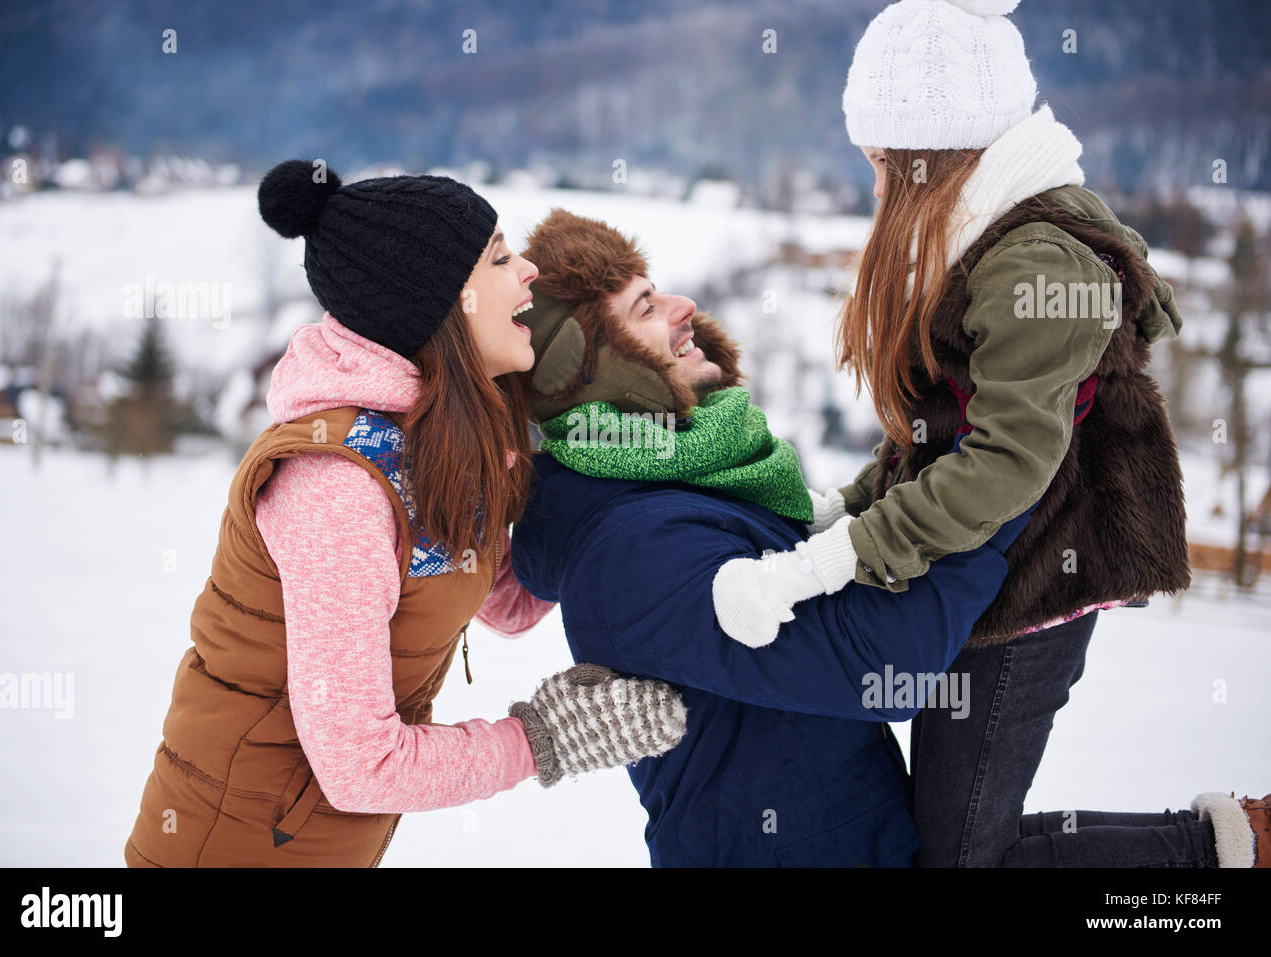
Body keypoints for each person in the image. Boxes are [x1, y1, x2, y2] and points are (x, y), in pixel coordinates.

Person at [508, 207, 1268, 868]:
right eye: (645, 306)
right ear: (598, 374)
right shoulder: (634, 546)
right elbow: (873, 656)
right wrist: (1000, 480)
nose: (683, 304)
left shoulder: (670, 484)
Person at [709, 0, 1267, 867]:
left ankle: (1223, 851)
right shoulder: (981, 238)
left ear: (935, 153)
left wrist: (834, 557)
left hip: (1034, 587)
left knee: (960, 855)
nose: (876, 181)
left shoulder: (1034, 260)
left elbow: (1003, 464)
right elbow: (936, 435)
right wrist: (842, 510)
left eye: (885, 161)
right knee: (958, 846)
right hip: (978, 577)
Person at [123, 162, 686, 868]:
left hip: (319, 844)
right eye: (501, 257)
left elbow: (505, 597)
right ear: (440, 301)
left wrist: (616, 499)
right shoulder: (338, 487)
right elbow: (363, 766)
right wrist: (543, 738)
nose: (529, 271)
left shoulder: (429, 440)